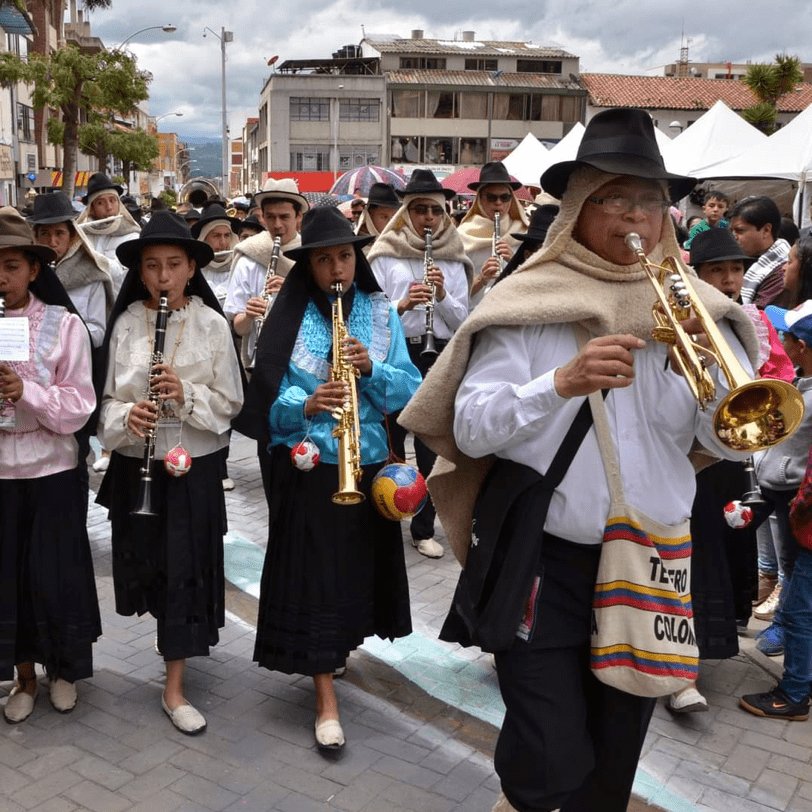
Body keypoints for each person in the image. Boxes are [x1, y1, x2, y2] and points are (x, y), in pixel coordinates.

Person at [399, 108, 760, 812]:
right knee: (546, 747)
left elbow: (723, 441)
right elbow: (469, 428)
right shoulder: (531, 300)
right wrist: (558, 383)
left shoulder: (699, 309)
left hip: (654, 559)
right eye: (616, 199)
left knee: (615, 751)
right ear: (577, 208)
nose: (637, 217)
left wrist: (711, 376)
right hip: (548, 559)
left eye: (651, 202)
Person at [241, 206, 420, 749]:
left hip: (367, 471)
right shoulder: (289, 317)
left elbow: (409, 392)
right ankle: (324, 696)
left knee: (352, 573)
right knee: (317, 579)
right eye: (325, 260)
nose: (337, 268)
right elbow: (266, 398)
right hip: (314, 469)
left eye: (345, 256)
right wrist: (308, 401)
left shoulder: (380, 313)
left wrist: (373, 370)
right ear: (309, 267)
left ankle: (335, 652)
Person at [95, 211, 244, 735]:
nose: (161, 276)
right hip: (138, 466)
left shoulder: (211, 324)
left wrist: (186, 394)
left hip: (191, 469)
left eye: (173, 265)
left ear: (190, 270)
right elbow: (107, 402)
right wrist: (126, 417)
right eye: (151, 266)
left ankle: (175, 684)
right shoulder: (127, 324)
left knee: (184, 569)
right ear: (139, 273)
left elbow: (231, 405)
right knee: (149, 567)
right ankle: (167, 650)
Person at [666, 228, 795, 714]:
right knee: (688, 563)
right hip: (685, 459)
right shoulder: (680, 319)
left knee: (716, 559)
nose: (728, 279)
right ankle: (679, 671)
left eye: (736, 269)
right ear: (696, 275)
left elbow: (764, 374)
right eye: (717, 270)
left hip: (728, 457)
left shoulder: (751, 320)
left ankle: (694, 658)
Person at [0, 206, 100, 723]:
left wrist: (27, 393)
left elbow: (79, 406)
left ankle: (64, 671)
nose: (2, 277)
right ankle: (23, 678)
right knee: (8, 579)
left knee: (55, 576)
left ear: (35, 269)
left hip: (53, 472)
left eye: (11, 265)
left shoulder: (64, 327)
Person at [367, 169, 471, 559]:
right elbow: (372, 312)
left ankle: (423, 526)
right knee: (389, 438)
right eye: (421, 210)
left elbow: (464, 321)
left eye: (436, 211)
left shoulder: (454, 259)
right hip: (396, 352)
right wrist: (403, 305)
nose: (429, 218)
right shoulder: (385, 253)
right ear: (407, 212)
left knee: (430, 446)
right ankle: (384, 512)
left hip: (438, 353)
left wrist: (441, 294)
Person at [741, 302, 812, 720]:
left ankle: (794, 694)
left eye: (786, 336)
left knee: (799, 610)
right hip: (795, 513)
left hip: (805, 520)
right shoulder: (802, 384)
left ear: (799, 346)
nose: (780, 340)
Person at [30, 190, 116, 496]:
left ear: (72, 235)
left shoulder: (91, 274)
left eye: (59, 233)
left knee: (74, 454)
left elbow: (98, 332)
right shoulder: (24, 275)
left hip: (74, 376)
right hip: (31, 382)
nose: (52, 242)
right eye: (44, 234)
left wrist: (61, 328)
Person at [225, 178, 309, 370]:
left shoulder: (313, 255)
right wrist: (248, 316)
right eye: (270, 217)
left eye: (284, 217)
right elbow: (239, 328)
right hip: (262, 363)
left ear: (299, 216)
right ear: (261, 217)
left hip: (305, 364)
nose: (277, 224)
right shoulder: (248, 257)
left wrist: (294, 290)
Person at [456, 161, 529, 307]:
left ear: (511, 199)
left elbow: (534, 284)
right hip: (474, 315)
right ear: (480, 200)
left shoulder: (524, 232)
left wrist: (515, 262)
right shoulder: (462, 235)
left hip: (511, 314)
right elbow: (452, 295)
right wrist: (482, 279)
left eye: (504, 197)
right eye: (491, 197)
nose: (498, 203)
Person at [74, 172, 141, 295]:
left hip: (120, 305)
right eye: (100, 203)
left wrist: (89, 255)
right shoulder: (81, 234)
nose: (109, 207)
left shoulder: (132, 234)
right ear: (91, 208)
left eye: (112, 200)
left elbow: (118, 271)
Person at [728, 196, 790, 307]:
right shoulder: (744, 258)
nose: (734, 237)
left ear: (766, 230)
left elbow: (756, 317)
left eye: (740, 231)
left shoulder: (781, 272)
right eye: (731, 231)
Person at [354, 182, 400, 246]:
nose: (390, 223)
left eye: (393, 217)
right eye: (384, 217)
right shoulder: (356, 245)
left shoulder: (399, 243)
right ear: (370, 215)